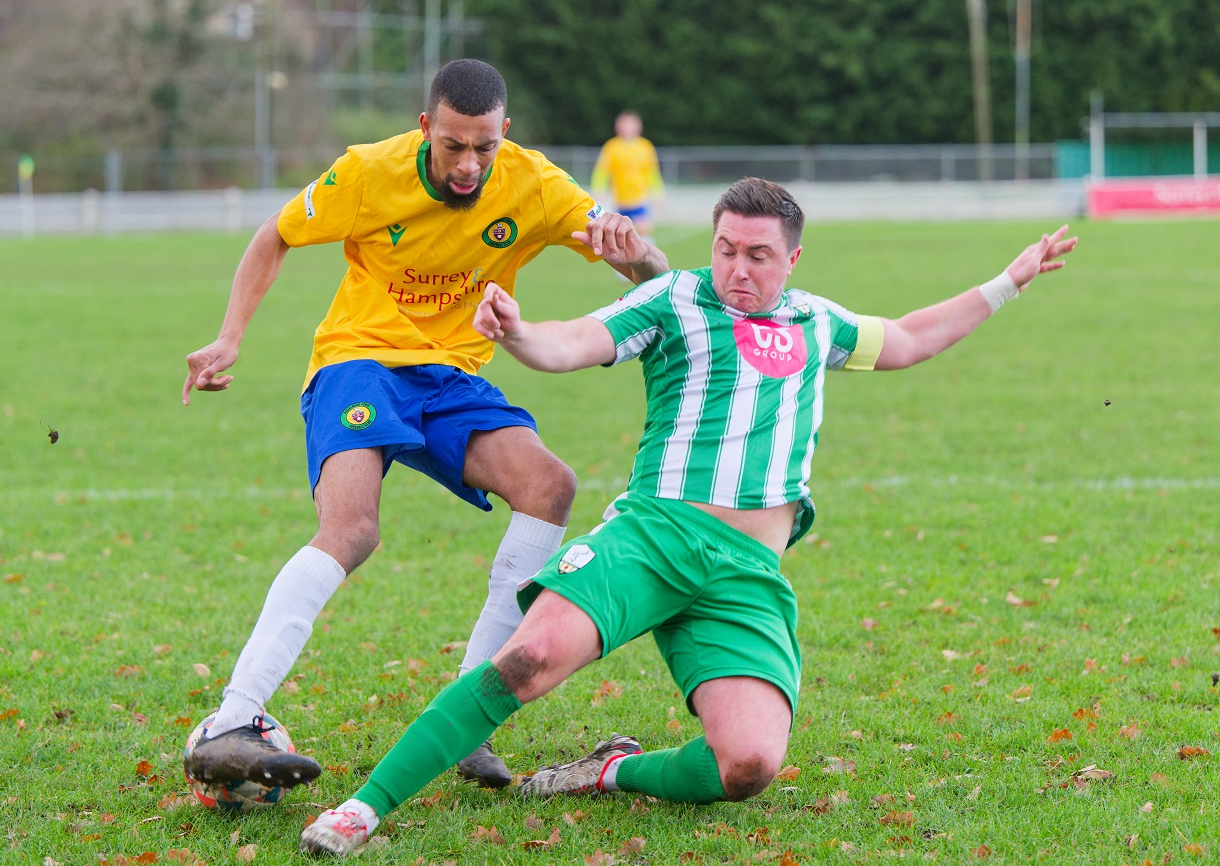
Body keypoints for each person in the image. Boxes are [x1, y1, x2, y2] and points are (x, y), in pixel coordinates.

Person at [297, 176, 1077, 855]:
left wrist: (1007, 281)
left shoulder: (817, 323)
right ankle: (364, 808)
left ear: (793, 260)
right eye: (726, 248)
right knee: (526, 661)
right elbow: (577, 341)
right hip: (655, 536)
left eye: (757, 255)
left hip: (745, 574)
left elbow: (907, 338)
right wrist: (520, 333)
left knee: (747, 767)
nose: (737, 268)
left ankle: (606, 770)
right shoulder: (673, 298)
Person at [180, 58, 668, 793]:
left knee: (549, 485)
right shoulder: (368, 173)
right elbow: (273, 236)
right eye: (452, 146)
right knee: (352, 531)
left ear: (505, 133)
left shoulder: (535, 184)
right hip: (360, 362)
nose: (469, 164)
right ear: (425, 130)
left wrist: (640, 256)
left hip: (452, 377)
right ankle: (232, 720)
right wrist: (230, 336)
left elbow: (647, 270)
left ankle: (469, 718)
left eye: (484, 147)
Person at [591, 110, 665, 243]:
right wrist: (598, 191)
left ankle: (648, 257)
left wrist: (658, 194)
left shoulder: (645, 147)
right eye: (624, 124)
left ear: (638, 126)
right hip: (620, 200)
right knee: (621, 234)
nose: (627, 127)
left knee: (644, 229)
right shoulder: (612, 147)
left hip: (639, 199)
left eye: (631, 124)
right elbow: (601, 172)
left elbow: (652, 173)